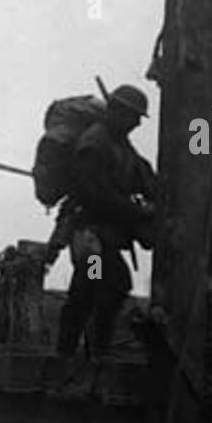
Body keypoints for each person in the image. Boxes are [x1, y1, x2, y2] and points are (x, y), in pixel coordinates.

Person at [55, 84, 157, 357]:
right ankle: (82, 353)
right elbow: (95, 196)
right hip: (91, 238)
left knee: (96, 288)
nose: (136, 123)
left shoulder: (119, 144)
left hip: (104, 239)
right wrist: (139, 213)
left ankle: (85, 352)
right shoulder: (94, 144)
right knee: (101, 285)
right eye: (133, 116)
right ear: (118, 112)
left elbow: (142, 174)